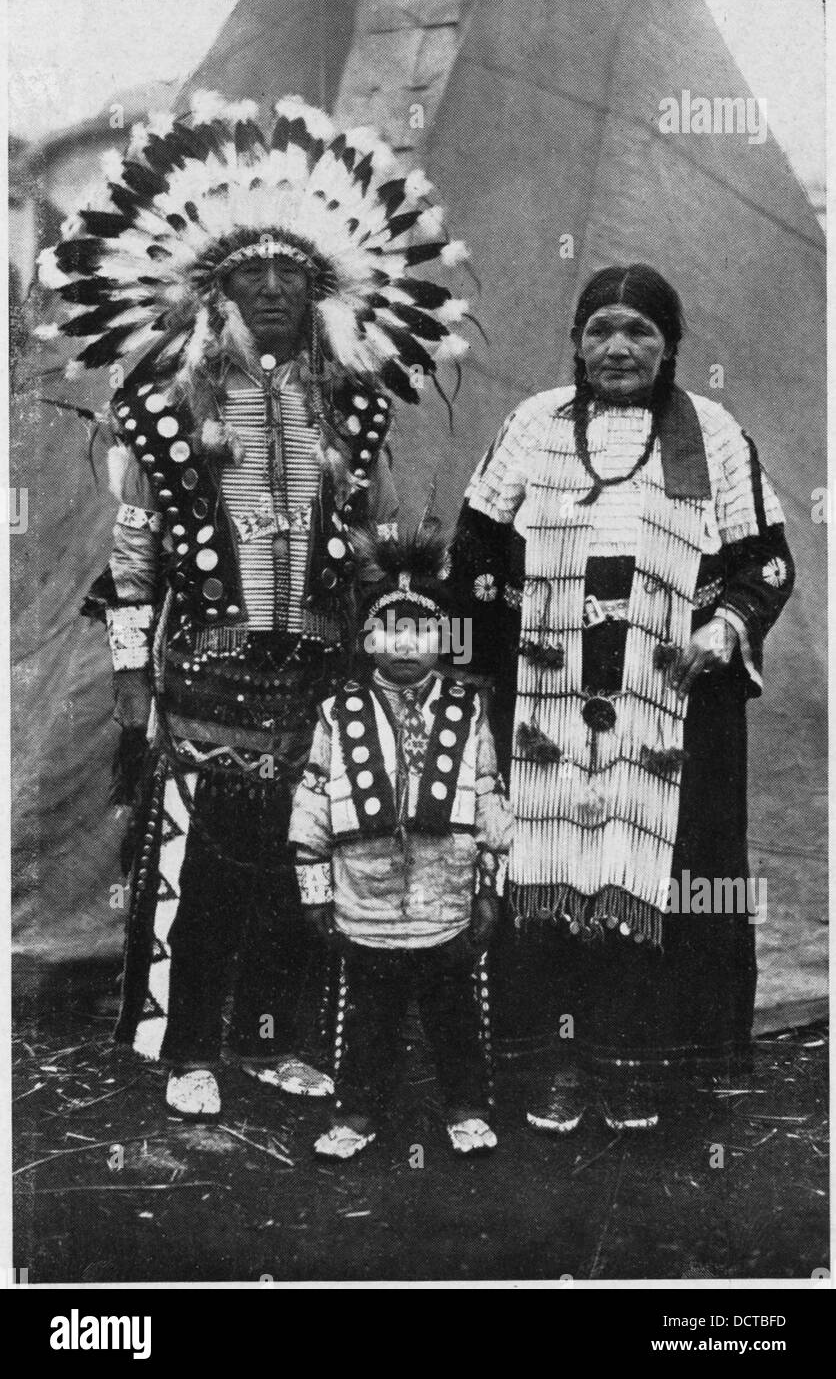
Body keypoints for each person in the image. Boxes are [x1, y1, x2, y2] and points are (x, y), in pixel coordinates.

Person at [40, 93, 471, 1119]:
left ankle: (274, 1038)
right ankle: (191, 1044)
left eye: (294, 274)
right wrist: (135, 682)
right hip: (202, 678)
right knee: (208, 876)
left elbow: (372, 547)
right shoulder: (158, 410)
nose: (274, 289)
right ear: (216, 288)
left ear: (320, 291)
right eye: (253, 273)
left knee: (298, 866)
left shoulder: (357, 407)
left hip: (320, 682)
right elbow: (136, 554)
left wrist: (386, 660)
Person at [450, 264, 794, 1132]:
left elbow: (768, 564)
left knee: (668, 878)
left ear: (670, 346)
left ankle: (649, 1069)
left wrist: (722, 629)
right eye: (601, 328)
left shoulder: (710, 432)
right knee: (549, 868)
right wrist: (520, 622)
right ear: (575, 341)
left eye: (640, 331)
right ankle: (550, 1069)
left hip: (674, 693)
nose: (618, 347)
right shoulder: (533, 424)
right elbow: (476, 552)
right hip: (548, 688)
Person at [289, 531, 513, 1158]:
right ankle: (355, 1113)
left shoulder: (470, 711)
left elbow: (490, 802)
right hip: (366, 900)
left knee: (456, 1015)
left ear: (444, 639)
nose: (406, 644)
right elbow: (311, 804)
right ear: (368, 638)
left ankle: (467, 1107)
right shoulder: (339, 710)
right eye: (391, 630)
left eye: (421, 631)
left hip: (447, 900)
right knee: (367, 1018)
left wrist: (488, 895)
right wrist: (315, 896)